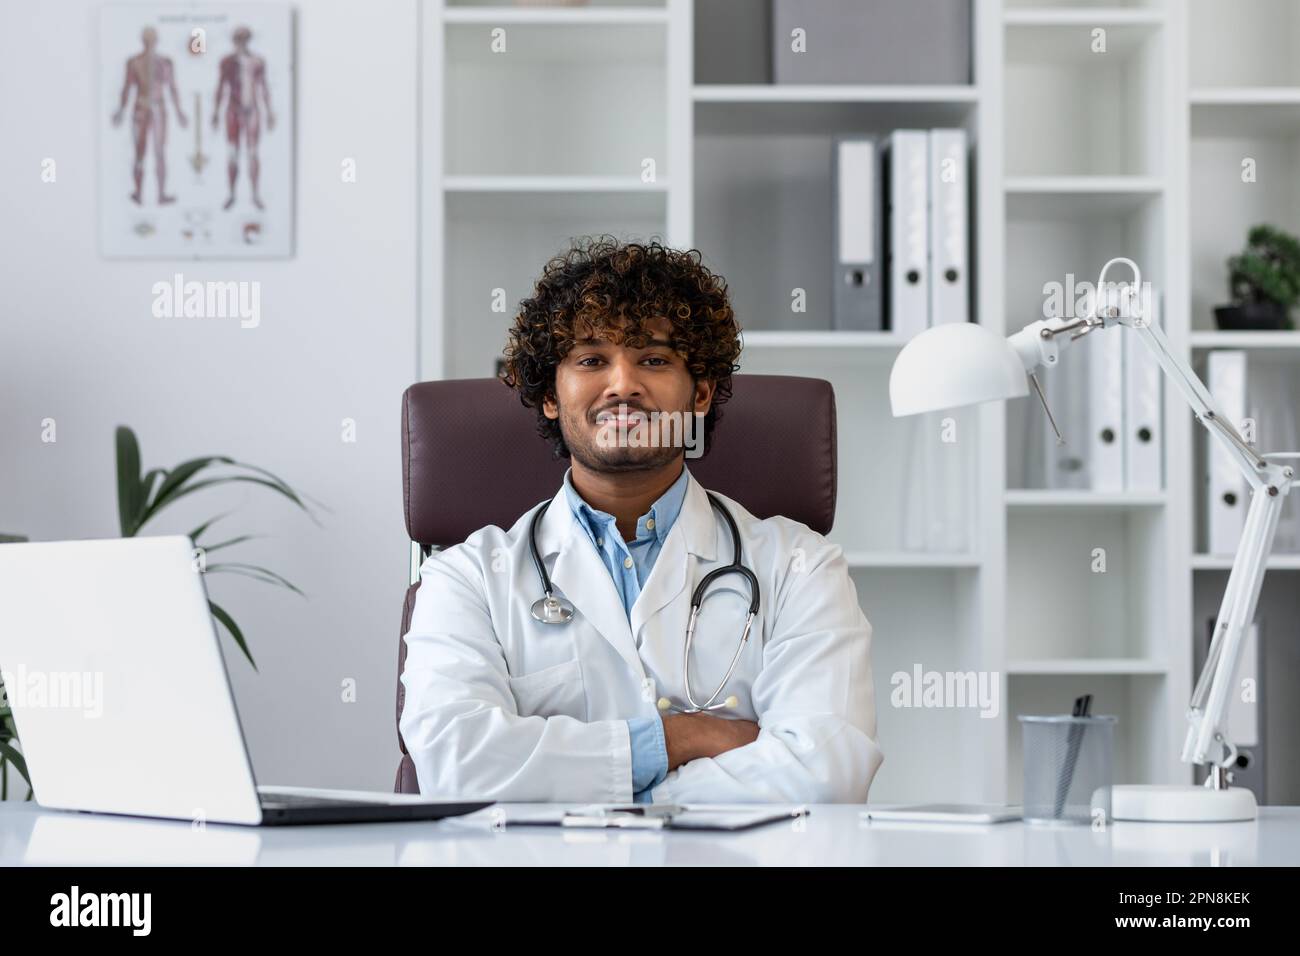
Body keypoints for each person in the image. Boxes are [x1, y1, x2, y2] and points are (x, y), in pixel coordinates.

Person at [399, 237, 883, 803]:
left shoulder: (799, 566)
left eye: (653, 359)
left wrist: (603, 792)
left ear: (700, 392)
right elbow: (456, 764)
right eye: (590, 360)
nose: (623, 384)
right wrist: (676, 740)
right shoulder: (467, 577)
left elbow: (827, 771)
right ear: (551, 397)